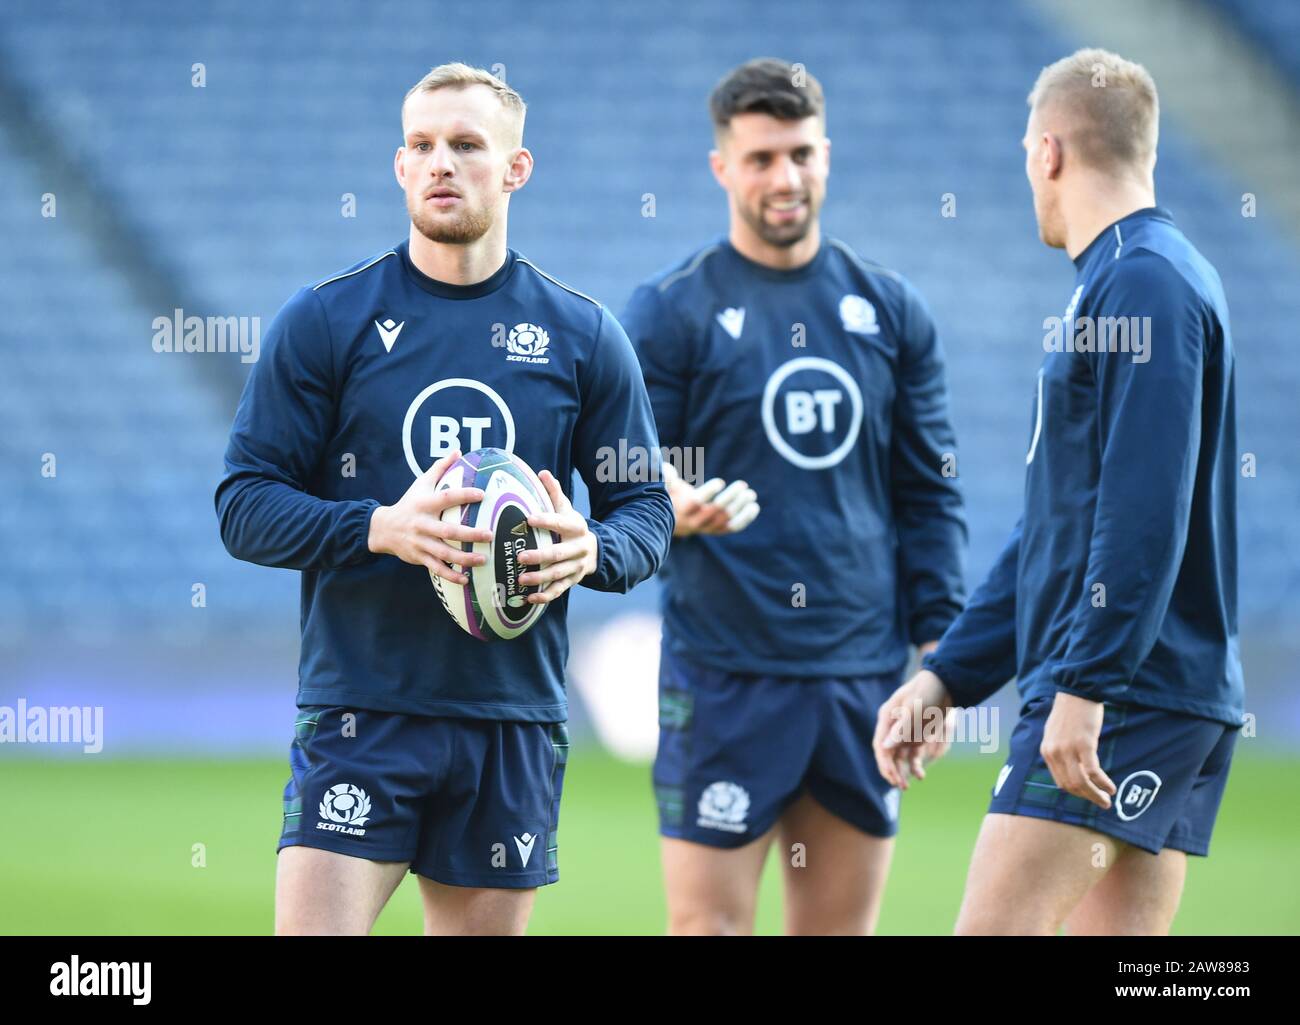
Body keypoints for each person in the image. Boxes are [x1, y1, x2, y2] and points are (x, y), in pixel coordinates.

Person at [215, 63, 673, 936]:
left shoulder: (583, 336)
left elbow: (646, 509)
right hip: (362, 709)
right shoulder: (325, 320)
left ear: (516, 167)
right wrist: (380, 527)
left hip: (510, 719)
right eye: (422, 145)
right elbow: (243, 504)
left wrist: (594, 550)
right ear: (398, 167)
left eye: (466, 145)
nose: (441, 163)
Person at [874, 48, 1244, 936]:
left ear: (1047, 152)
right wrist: (949, 679)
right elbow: (1058, 531)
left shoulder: (1143, 281)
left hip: (1123, 689)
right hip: (1160, 690)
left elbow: (1144, 506)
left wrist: (1086, 683)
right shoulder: (1135, 276)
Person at [621, 58, 965, 935]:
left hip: (863, 677)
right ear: (722, 168)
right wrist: (672, 501)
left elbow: (930, 498)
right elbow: (624, 464)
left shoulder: (889, 311)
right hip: (726, 673)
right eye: (763, 157)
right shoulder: (669, 312)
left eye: (802, 154)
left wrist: (940, 661)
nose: (786, 177)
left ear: (827, 156)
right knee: (709, 930)